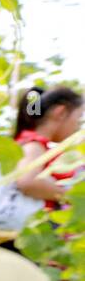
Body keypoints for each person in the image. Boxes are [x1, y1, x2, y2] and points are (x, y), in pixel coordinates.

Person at [12, 84, 83, 212]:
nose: (77, 127)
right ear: (61, 112)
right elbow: (27, 181)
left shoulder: (31, 142)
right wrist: (70, 196)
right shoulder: (33, 144)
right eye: (78, 119)